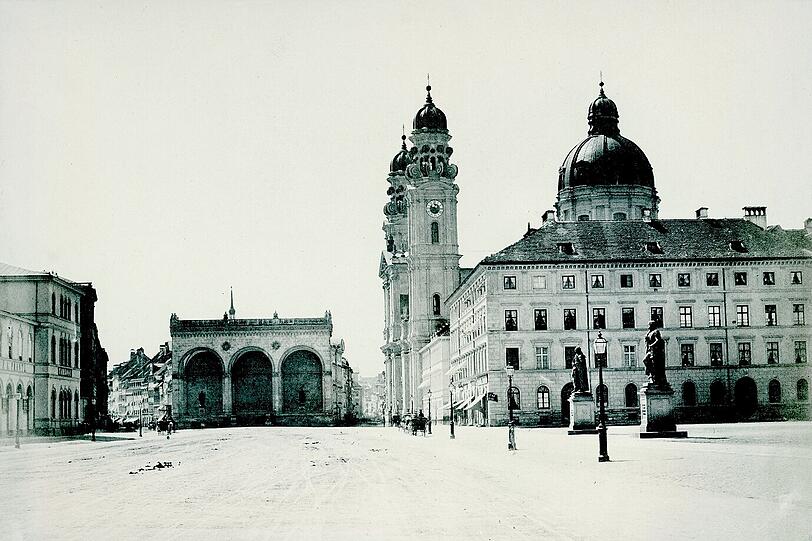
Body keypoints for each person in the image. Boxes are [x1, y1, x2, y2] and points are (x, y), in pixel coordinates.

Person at [643, 320, 668, 388]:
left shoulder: (656, 332)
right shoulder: (649, 333)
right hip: (650, 351)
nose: (648, 327)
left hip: (655, 352)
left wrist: (652, 345)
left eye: (649, 325)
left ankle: (654, 378)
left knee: (652, 364)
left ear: (652, 325)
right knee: (645, 361)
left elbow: (658, 340)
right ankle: (651, 376)